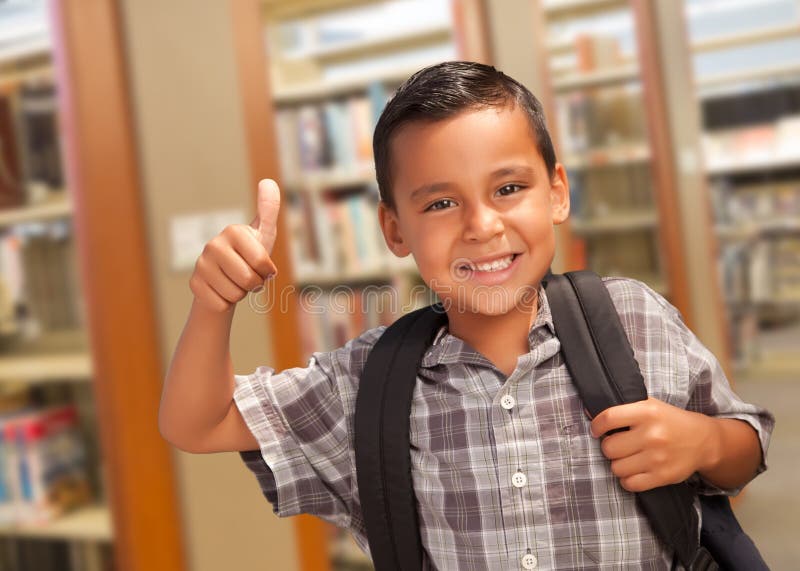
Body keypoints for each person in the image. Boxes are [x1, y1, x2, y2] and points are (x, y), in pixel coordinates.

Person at [159, 61, 774, 569]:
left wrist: (704, 441)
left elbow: (745, 446)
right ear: (395, 230)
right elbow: (199, 424)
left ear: (556, 191)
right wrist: (214, 305)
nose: (482, 226)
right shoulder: (367, 383)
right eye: (442, 203)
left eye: (508, 189)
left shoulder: (632, 318)